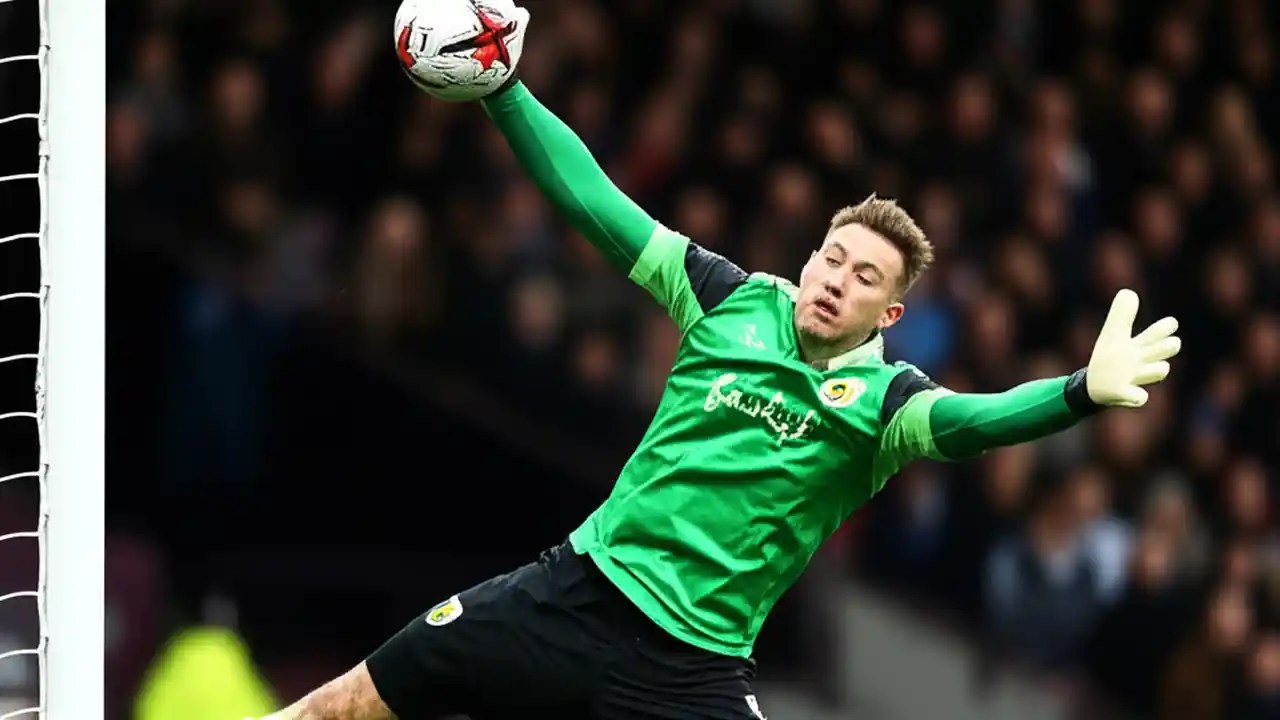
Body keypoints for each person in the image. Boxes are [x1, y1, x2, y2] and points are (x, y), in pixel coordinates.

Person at [257, 9, 1183, 719]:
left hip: (689, 670)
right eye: (831, 255)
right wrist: (504, 90)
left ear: (889, 312)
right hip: (573, 592)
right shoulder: (730, 296)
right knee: (347, 703)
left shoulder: (889, 404)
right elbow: (597, 205)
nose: (834, 280)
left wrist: (1076, 396)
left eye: (864, 278)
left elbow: (979, 423)